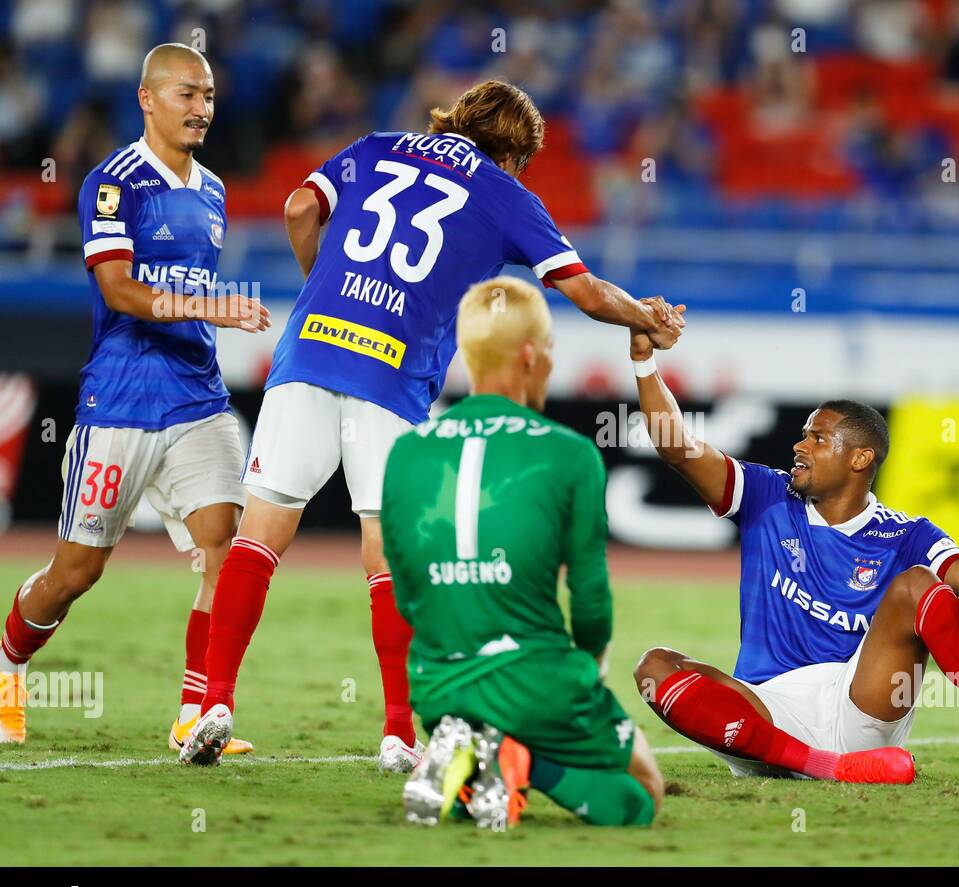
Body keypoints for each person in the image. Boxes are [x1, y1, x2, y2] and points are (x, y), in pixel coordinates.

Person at [180, 80, 684, 770]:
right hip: (390, 372)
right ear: (515, 154)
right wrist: (648, 316)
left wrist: (316, 288)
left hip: (308, 352)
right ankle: (395, 735)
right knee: (386, 556)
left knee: (260, 536)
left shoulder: (377, 146)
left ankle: (214, 704)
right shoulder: (506, 194)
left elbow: (300, 207)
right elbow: (586, 290)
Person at [626, 331, 959, 790]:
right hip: (763, 714)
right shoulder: (766, 495)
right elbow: (678, 448)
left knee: (919, 584)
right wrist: (645, 361)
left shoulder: (906, 533)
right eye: (804, 435)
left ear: (860, 459)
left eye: (818, 438)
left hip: (857, 707)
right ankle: (827, 767)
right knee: (655, 666)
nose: (799, 447)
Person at [0, 44, 269, 753]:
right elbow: (118, 291)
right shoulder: (112, 183)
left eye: (209, 96)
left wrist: (212, 313)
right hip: (120, 401)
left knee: (223, 545)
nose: (202, 109)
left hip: (197, 399)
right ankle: (5, 667)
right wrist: (214, 307)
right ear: (148, 99)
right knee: (74, 574)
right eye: (187, 94)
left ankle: (193, 714)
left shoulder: (212, 191)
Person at [387, 276, 664, 828]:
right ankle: (520, 758)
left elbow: (405, 592)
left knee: (479, 708)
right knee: (642, 794)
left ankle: (473, 750)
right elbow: (590, 599)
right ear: (532, 356)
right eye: (553, 352)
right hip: (538, 683)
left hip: (439, 686)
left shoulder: (405, 451)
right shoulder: (570, 454)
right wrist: (590, 666)